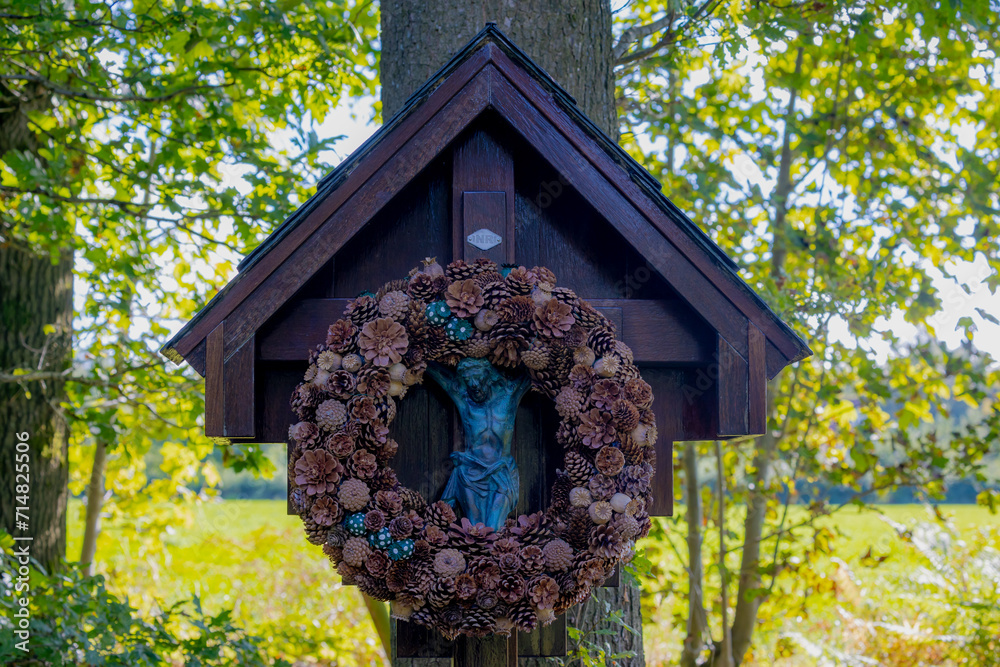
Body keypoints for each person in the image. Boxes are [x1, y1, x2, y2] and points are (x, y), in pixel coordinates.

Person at [426, 358, 530, 530]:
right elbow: (438, 374)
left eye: (478, 378)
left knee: (494, 526)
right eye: (468, 380)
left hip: (501, 471)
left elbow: (533, 370)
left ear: (489, 377)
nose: (473, 384)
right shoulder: (464, 400)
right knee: (475, 528)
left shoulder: (510, 395)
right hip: (471, 473)